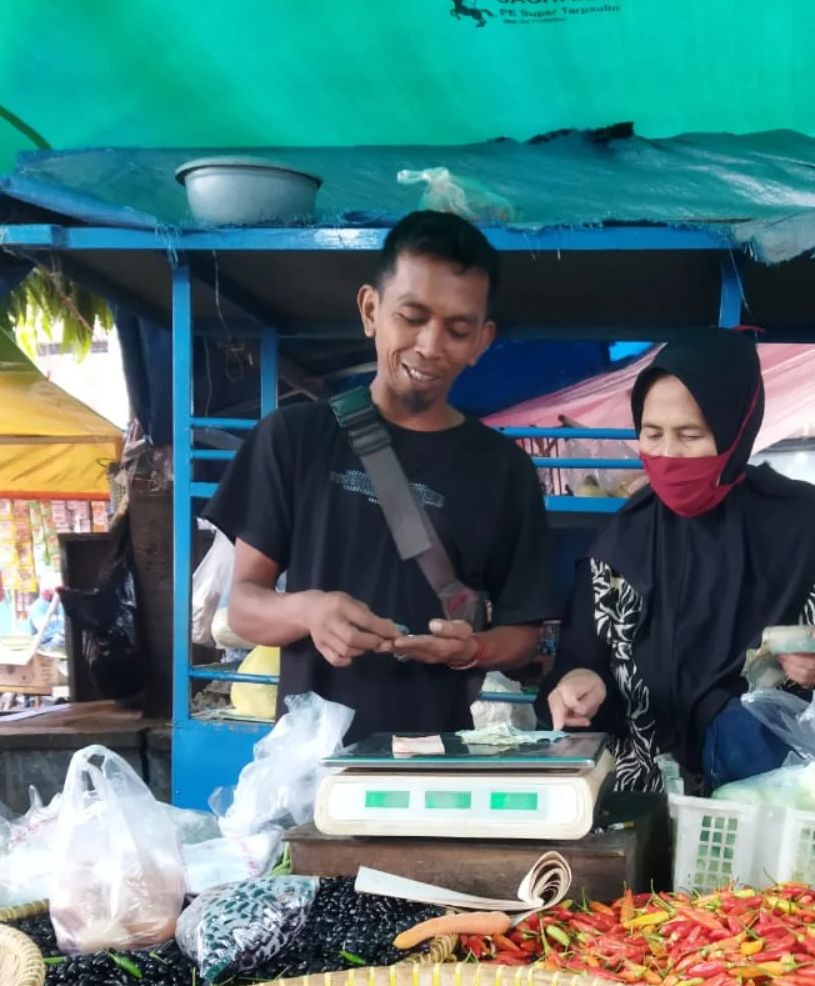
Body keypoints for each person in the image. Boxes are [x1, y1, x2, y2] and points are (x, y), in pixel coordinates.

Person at [206, 211, 554, 742]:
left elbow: (524, 636)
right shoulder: (292, 438)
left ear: (483, 340)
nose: (431, 346)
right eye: (411, 317)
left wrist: (473, 650)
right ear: (371, 309)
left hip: (436, 762)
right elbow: (247, 608)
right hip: (309, 761)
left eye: (457, 329)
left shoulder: (505, 471)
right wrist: (309, 611)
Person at [545, 331, 815, 794]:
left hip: (781, 811)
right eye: (652, 434)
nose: (667, 455)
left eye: (690, 435)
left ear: (736, 427)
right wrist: (580, 683)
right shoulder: (620, 544)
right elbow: (581, 660)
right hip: (644, 803)